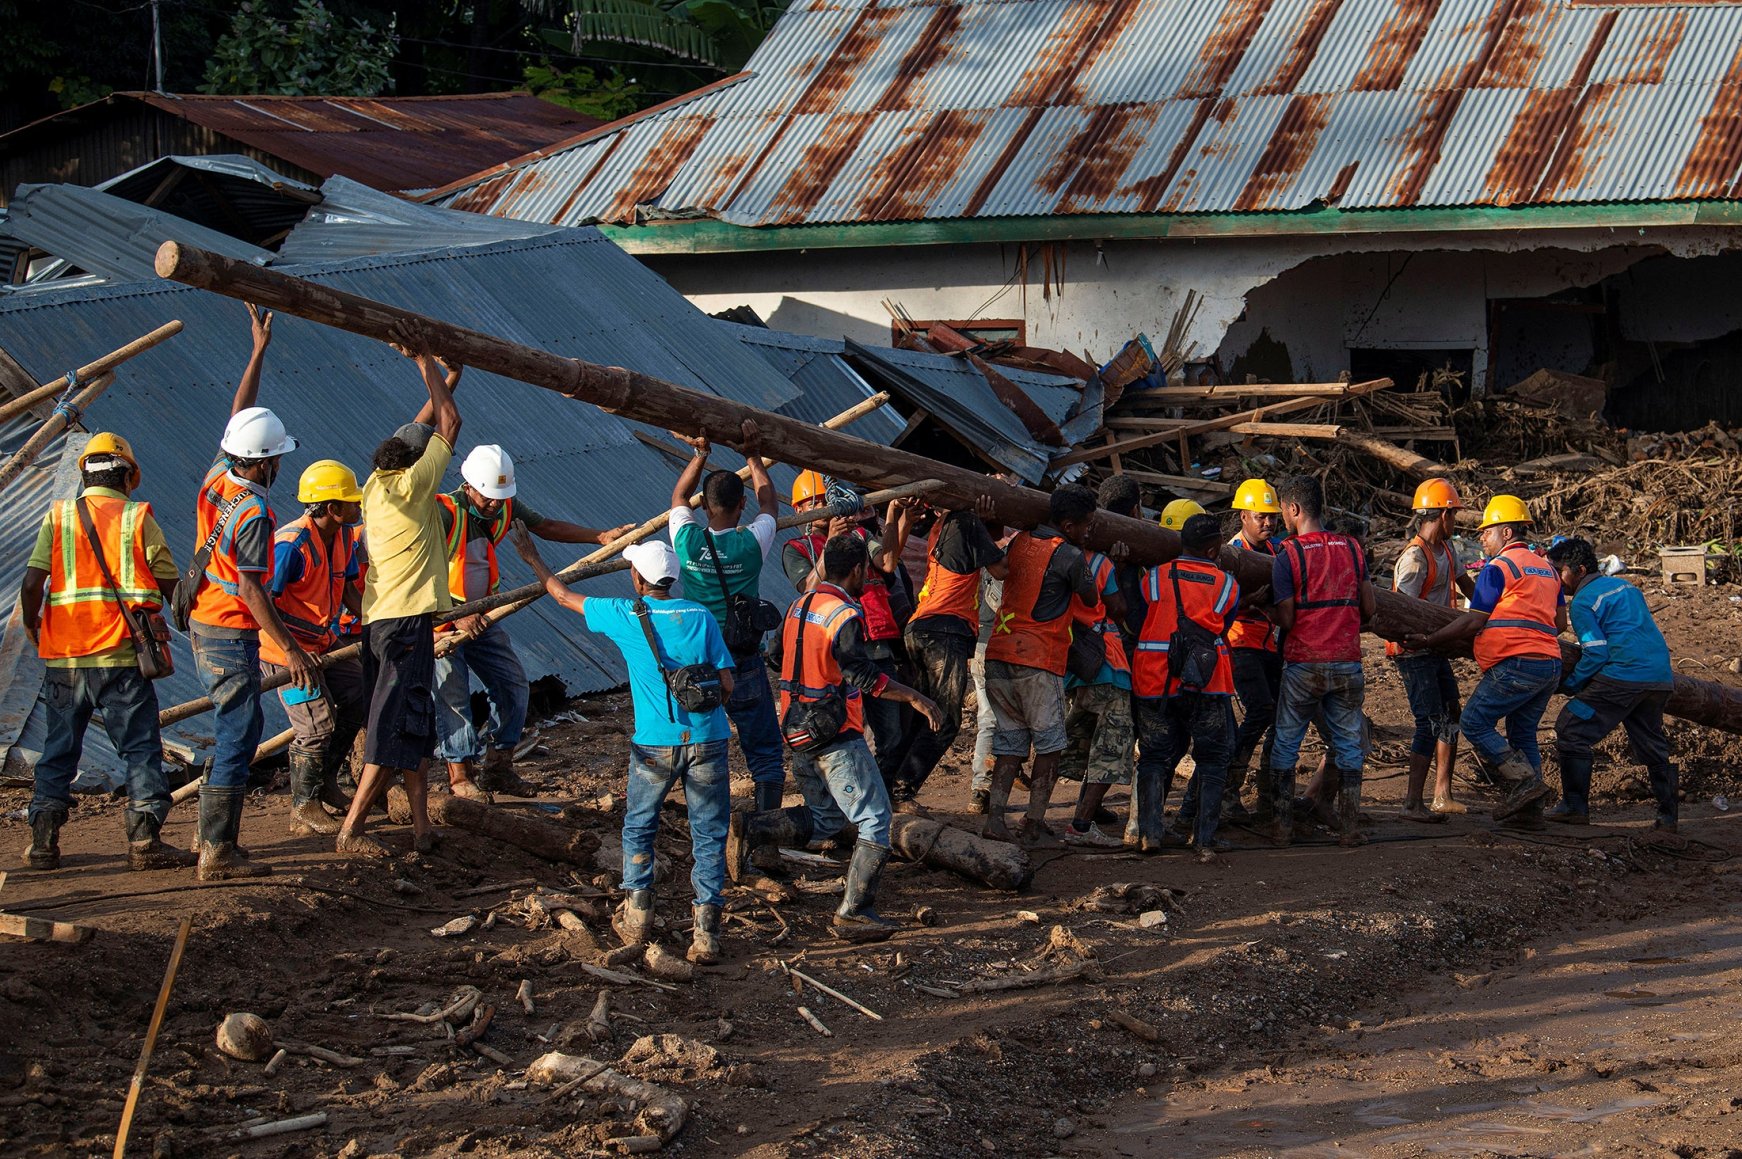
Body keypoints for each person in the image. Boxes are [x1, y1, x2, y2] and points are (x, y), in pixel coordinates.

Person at [511, 526, 737, 963]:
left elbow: (561, 596)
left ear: (637, 578)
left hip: (654, 743)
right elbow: (726, 683)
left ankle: (638, 914)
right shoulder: (701, 616)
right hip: (709, 738)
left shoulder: (624, 614)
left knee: (639, 825)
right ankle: (706, 932)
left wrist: (532, 558)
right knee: (709, 833)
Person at [728, 535, 942, 942]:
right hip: (833, 731)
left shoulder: (798, 605)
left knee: (826, 818)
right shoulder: (844, 613)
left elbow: (774, 656)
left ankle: (755, 828)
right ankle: (854, 911)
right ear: (860, 569)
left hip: (794, 723)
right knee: (875, 818)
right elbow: (861, 675)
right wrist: (915, 697)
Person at [17, 434, 194, 873]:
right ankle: (144, 840)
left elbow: (31, 585)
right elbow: (173, 588)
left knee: (58, 750)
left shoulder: (58, 518)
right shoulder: (138, 518)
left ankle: (43, 843)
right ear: (129, 477)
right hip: (123, 660)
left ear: (84, 474)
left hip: (65, 659)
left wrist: (34, 626)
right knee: (139, 749)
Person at [186, 305, 316, 880]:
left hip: (201, 617)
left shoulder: (220, 476)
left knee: (232, 724)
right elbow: (252, 588)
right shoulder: (256, 514)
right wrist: (290, 650)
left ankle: (208, 837)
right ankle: (216, 850)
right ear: (264, 466)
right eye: (278, 459)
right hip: (227, 624)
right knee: (239, 730)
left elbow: (239, 417)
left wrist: (257, 352)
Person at [434, 444, 633, 800]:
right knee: (453, 694)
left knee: (512, 684)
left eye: (500, 498)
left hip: (486, 613)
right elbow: (418, 569)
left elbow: (547, 526)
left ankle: (499, 766)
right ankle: (460, 775)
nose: (495, 505)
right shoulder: (445, 512)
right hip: (444, 620)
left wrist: (598, 536)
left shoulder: (505, 506)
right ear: (469, 486)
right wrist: (456, 613)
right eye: (488, 498)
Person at [334, 337, 463, 857]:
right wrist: (424, 362)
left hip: (383, 624)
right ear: (416, 462)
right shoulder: (414, 487)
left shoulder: (376, 484)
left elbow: (424, 424)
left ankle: (420, 828)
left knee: (412, 724)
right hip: (407, 626)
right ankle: (353, 830)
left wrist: (445, 378)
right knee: (390, 728)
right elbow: (449, 426)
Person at [1404, 495, 1565, 830]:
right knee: (1523, 733)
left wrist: (1433, 640)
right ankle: (1530, 815)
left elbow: (1474, 620)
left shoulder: (1499, 568)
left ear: (1506, 532)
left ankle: (1525, 782)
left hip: (1517, 664)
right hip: (1549, 664)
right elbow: (1560, 623)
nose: (1481, 538)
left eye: (1487, 532)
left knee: (1476, 720)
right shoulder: (1548, 568)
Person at [668, 425, 784, 809]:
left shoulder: (686, 539)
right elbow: (770, 505)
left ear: (704, 506)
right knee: (764, 749)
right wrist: (752, 455)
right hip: (741, 657)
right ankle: (768, 823)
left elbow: (679, 495)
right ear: (741, 507)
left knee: (700, 744)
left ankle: (705, 817)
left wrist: (700, 454)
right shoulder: (751, 542)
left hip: (697, 658)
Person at [981, 485, 1101, 847]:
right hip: (1038, 658)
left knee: (1011, 743)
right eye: (1085, 526)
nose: (1088, 532)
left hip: (999, 652)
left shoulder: (1020, 540)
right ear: (1068, 523)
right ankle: (1033, 823)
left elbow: (1000, 568)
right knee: (1049, 746)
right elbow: (1091, 596)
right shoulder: (1068, 554)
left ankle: (996, 819)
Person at [782, 471, 918, 782]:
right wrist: (831, 541)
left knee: (891, 733)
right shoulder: (798, 547)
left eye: (823, 501)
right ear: (798, 510)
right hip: (836, 651)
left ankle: (880, 791)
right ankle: (850, 793)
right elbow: (810, 590)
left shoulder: (858, 535)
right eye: (812, 503)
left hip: (877, 643)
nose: (820, 507)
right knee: (843, 728)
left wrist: (900, 517)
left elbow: (886, 562)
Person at [1267, 475, 1375, 847]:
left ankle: (1281, 829)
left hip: (1303, 663)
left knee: (1285, 743)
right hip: (1346, 661)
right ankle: (1349, 829)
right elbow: (1370, 609)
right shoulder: (1352, 549)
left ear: (1294, 509)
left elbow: (1286, 619)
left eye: (1282, 510)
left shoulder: (1289, 554)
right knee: (1348, 744)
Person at [263, 460, 367, 837]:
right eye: (351, 502)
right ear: (330, 508)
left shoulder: (342, 537)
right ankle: (303, 805)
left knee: (358, 694)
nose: (358, 508)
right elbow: (263, 603)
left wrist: (375, 622)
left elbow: (351, 590)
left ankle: (325, 781)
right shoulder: (291, 545)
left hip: (321, 640)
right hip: (281, 651)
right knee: (315, 724)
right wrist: (290, 652)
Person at [1545, 538, 1677, 831]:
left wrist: (1572, 684)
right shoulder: (1628, 587)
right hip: (1659, 677)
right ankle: (1668, 816)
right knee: (1652, 743)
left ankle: (1574, 806)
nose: (1556, 578)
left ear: (1578, 570)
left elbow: (1596, 652)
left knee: (1570, 726)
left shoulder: (1582, 602)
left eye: (1559, 571)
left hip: (1623, 676)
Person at [1131, 514, 1240, 863]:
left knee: (1152, 756)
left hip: (1155, 680)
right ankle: (1204, 838)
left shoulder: (1154, 577)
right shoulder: (1226, 585)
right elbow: (1225, 623)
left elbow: (1140, 612)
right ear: (1214, 548)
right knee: (1212, 758)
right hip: (1206, 683)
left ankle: (1149, 833)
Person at [889, 496, 1006, 810]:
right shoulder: (966, 521)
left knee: (921, 713)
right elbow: (1001, 568)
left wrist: (987, 524)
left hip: (920, 625)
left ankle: (890, 787)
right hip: (946, 629)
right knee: (946, 719)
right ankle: (902, 789)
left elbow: (982, 546)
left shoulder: (943, 525)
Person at [1387, 478, 1475, 822]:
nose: (1455, 522)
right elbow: (1401, 611)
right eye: (1453, 515)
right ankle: (1412, 802)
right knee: (1427, 722)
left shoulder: (1448, 550)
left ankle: (1442, 794)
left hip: (1435, 646)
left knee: (1451, 712)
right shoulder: (1413, 559)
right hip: (1414, 650)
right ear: (1442, 515)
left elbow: (1468, 586)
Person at [1059, 538, 1134, 847]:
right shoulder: (1099, 562)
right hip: (1106, 661)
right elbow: (1118, 608)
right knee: (1110, 748)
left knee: (1074, 741)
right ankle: (1081, 825)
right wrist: (1125, 570)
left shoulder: (1053, 554)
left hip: (1072, 659)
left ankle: (1034, 819)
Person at [1224, 479, 1284, 822]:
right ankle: (1229, 791)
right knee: (1261, 710)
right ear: (1244, 516)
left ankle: (1267, 795)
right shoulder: (1231, 552)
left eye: (1271, 517)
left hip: (1268, 643)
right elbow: (1220, 604)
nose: (1268, 523)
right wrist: (1251, 602)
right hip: (1240, 642)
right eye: (1261, 517)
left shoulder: (1275, 551)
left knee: (1278, 717)